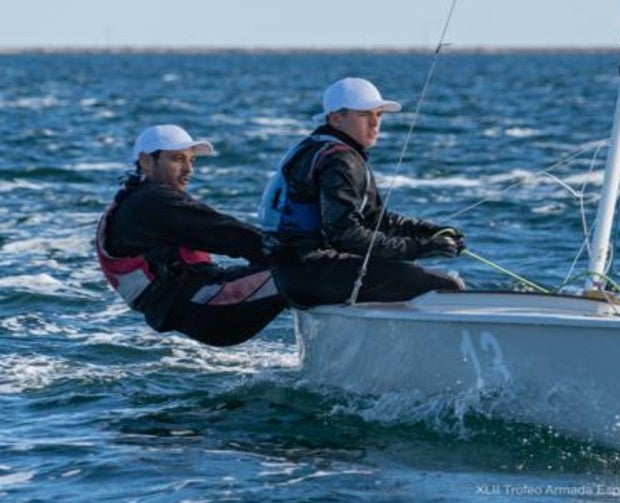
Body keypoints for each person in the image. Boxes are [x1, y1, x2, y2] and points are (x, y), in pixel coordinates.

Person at [259, 77, 464, 308]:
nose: (375, 123)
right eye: (365, 115)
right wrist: (418, 248)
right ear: (337, 119)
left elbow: (377, 220)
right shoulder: (340, 160)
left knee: (411, 274)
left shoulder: (317, 148)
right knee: (446, 287)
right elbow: (345, 234)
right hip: (314, 274)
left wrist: (429, 233)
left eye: (379, 115)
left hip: (293, 275)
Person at [96, 124, 286, 346]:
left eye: (191, 160)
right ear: (147, 162)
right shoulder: (152, 202)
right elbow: (228, 233)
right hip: (206, 308)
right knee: (305, 270)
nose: (189, 169)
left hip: (196, 307)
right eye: (177, 159)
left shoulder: (135, 200)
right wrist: (299, 251)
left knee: (300, 266)